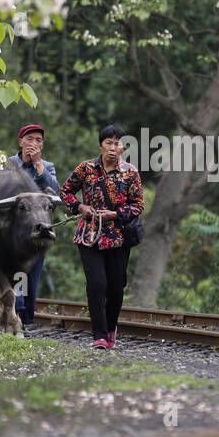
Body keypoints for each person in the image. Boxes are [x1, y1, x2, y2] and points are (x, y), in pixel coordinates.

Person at [60, 124, 144, 349]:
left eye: (117, 143)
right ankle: (99, 336)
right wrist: (80, 207)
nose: (112, 148)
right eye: (109, 143)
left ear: (122, 147)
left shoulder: (130, 172)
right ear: (101, 145)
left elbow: (138, 205)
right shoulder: (85, 168)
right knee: (96, 284)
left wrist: (115, 214)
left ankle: (110, 328)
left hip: (119, 237)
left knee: (116, 286)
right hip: (89, 235)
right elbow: (65, 191)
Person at [8, 124, 60, 328]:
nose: (34, 144)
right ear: (21, 141)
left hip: (38, 233)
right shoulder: (8, 164)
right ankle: (15, 316)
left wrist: (39, 166)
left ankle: (25, 321)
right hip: (13, 232)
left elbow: (56, 193)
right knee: (15, 274)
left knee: (32, 277)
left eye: (39, 140)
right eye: (30, 139)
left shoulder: (48, 166)